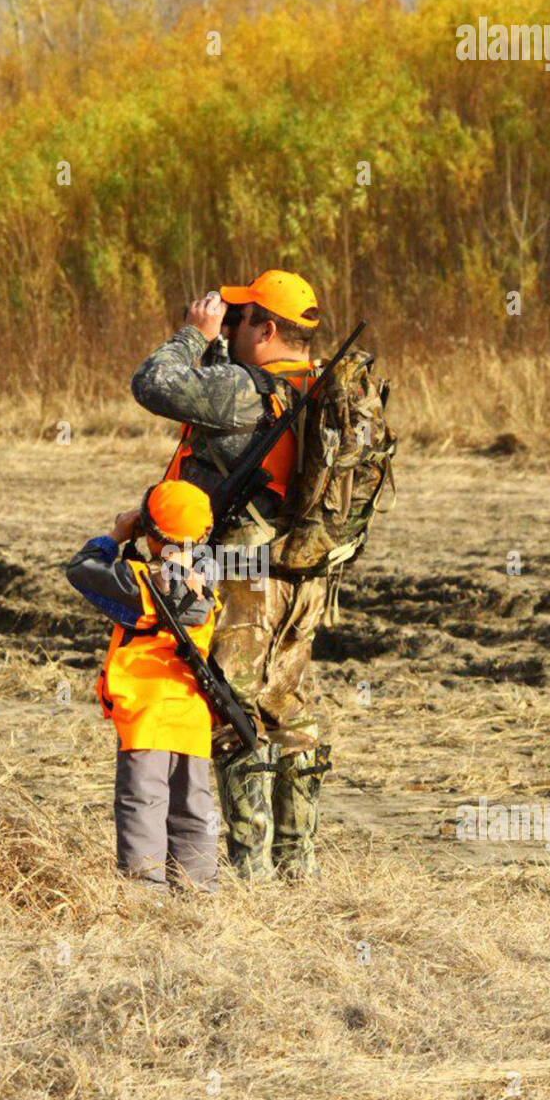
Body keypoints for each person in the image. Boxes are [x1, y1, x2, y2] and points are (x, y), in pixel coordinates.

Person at [131, 270, 331, 882]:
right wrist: (219, 350)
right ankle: (300, 866)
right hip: (307, 573)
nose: (231, 323)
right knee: (289, 707)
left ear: (266, 329)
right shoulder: (316, 384)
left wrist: (193, 336)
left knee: (236, 710)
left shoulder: (247, 390)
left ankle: (250, 872)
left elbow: (155, 383)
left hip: (248, 573)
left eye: (241, 318)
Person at [66, 479, 220, 893]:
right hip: (191, 713)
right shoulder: (208, 575)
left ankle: (145, 893)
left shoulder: (140, 585)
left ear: (149, 535)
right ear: (204, 533)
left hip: (145, 716)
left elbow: (81, 570)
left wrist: (116, 535)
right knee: (193, 806)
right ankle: (199, 889)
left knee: (143, 804)